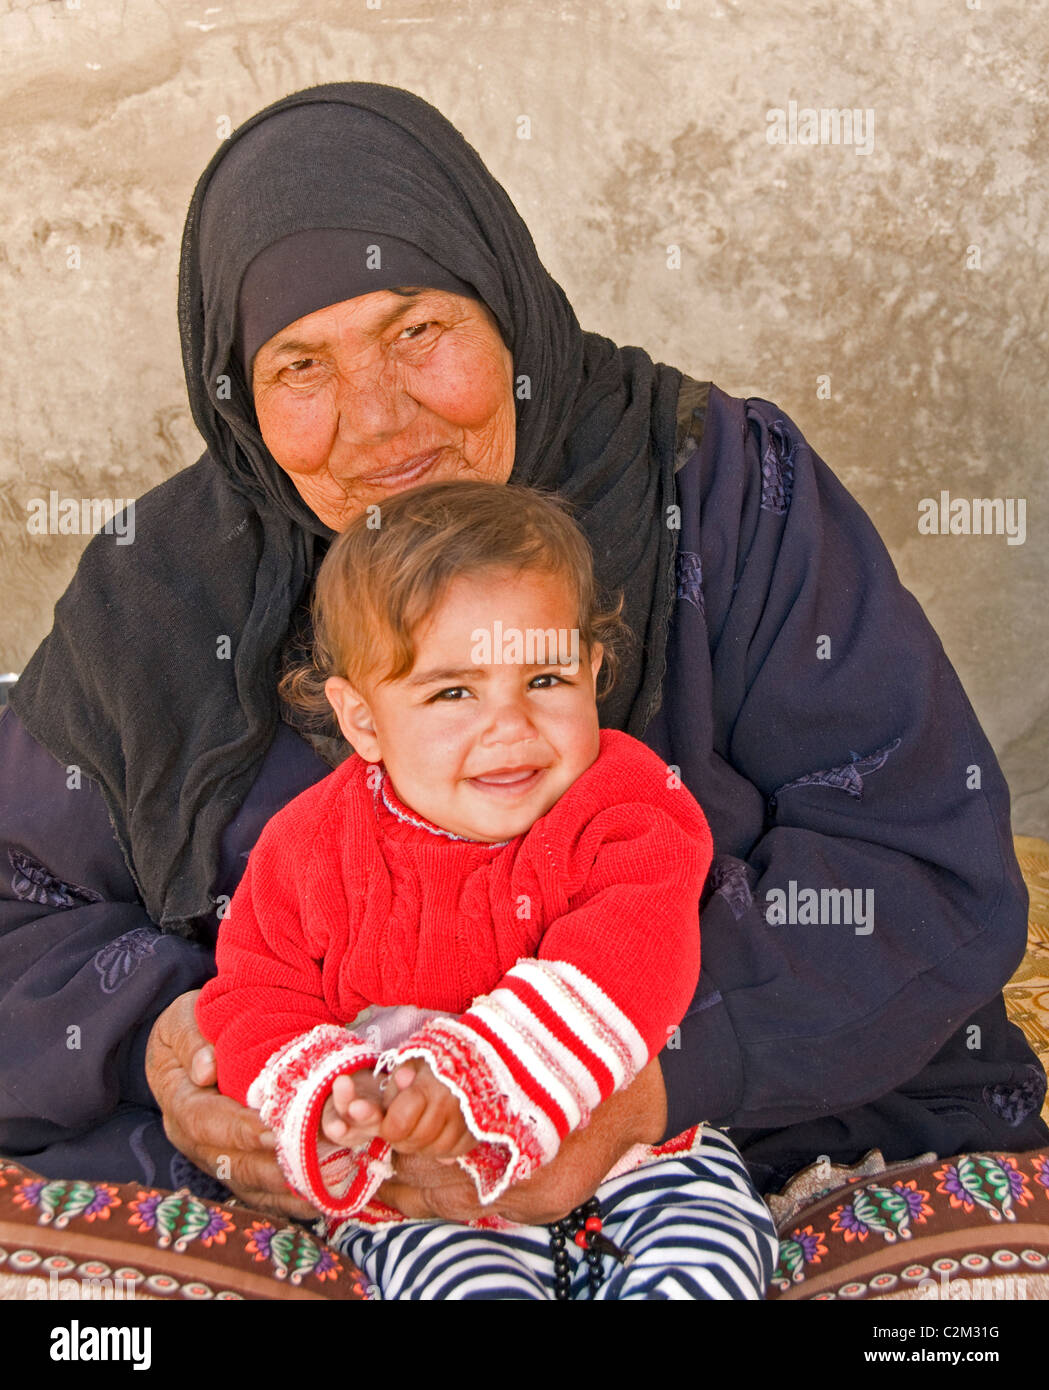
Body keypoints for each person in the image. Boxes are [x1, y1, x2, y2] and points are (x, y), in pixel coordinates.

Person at [0, 82, 1045, 1242]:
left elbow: (913, 863)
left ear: (505, 303)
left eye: (417, 332)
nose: (379, 421)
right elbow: (18, 904)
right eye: (301, 366)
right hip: (316, 1183)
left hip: (729, 1148)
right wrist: (176, 1046)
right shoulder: (159, 588)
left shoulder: (724, 491)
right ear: (238, 397)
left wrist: (635, 1090)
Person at [195, 479, 778, 1299]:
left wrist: (472, 1082)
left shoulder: (626, 802)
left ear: (593, 672)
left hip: (631, 1158)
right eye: (453, 692)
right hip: (429, 1195)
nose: (510, 728)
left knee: (707, 1261)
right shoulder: (309, 846)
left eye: (544, 681)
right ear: (362, 719)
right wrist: (339, 1097)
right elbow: (254, 993)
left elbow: (630, 953)